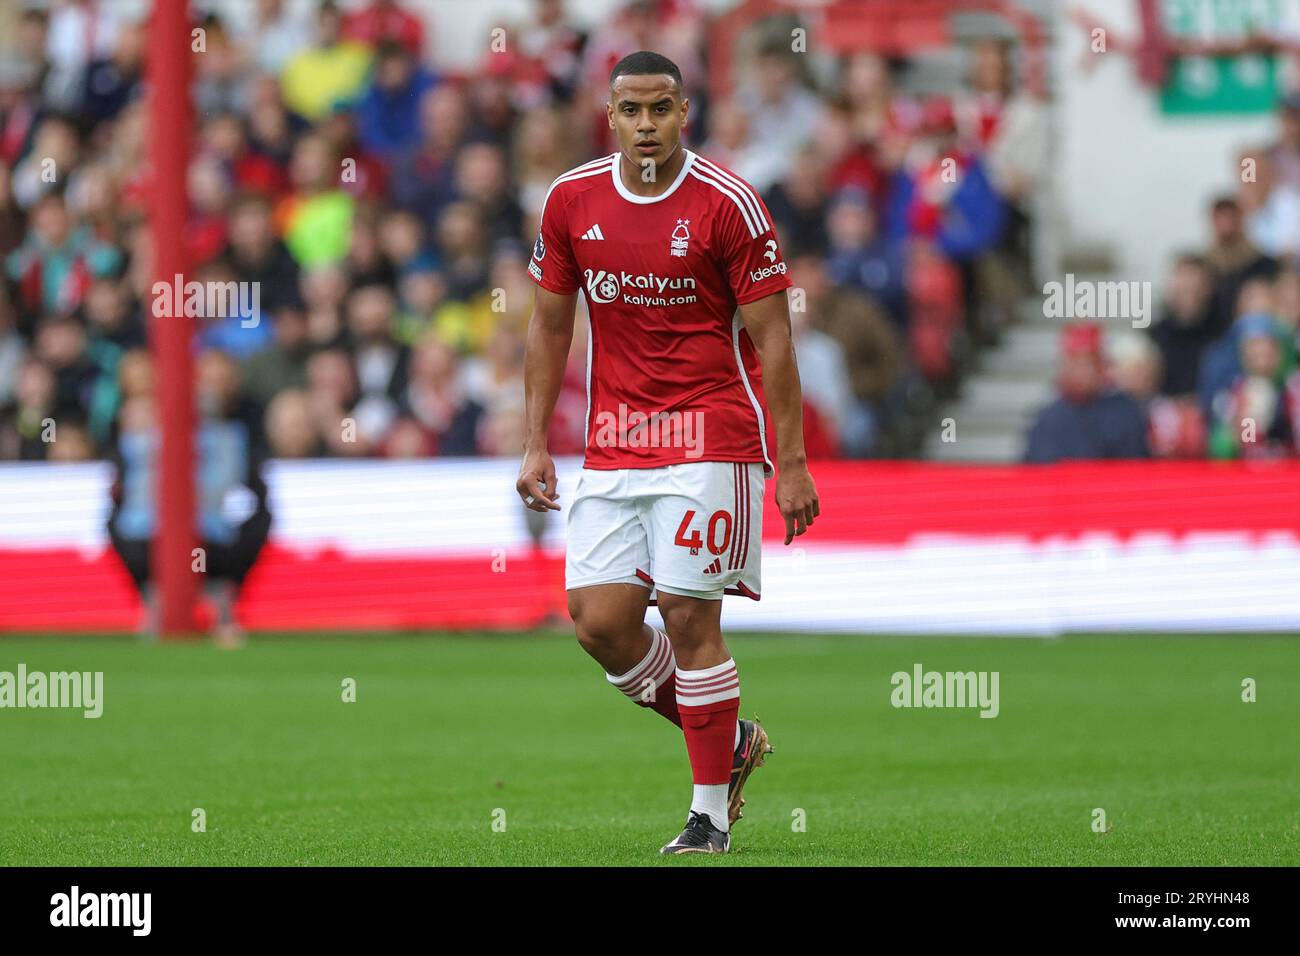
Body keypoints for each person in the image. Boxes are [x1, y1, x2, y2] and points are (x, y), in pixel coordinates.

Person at [515, 51, 819, 855]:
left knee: (688, 617)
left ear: (685, 112)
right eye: (630, 111)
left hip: (710, 433)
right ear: (608, 116)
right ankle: (732, 737)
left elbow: (775, 343)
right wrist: (533, 441)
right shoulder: (570, 199)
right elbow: (549, 327)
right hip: (614, 443)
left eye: (660, 110)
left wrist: (789, 461)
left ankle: (709, 815)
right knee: (600, 623)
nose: (645, 125)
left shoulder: (730, 205)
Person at [1023, 323, 1149, 462]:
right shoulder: (1047, 419)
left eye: (1084, 363)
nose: (1077, 371)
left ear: (1101, 366)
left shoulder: (1125, 413)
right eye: (1071, 362)